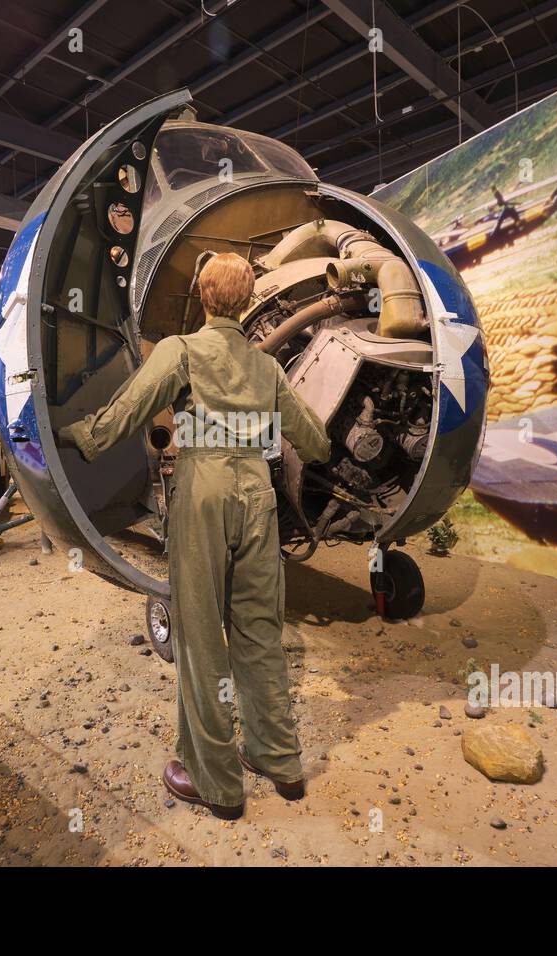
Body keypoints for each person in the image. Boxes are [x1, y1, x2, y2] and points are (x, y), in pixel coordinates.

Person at [58, 252, 330, 819]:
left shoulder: (182, 351)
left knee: (202, 637)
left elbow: (128, 411)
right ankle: (278, 760)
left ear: (204, 299)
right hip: (258, 495)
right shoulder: (267, 368)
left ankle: (216, 783)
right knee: (259, 631)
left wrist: (78, 434)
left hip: (203, 490)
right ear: (248, 299)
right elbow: (316, 441)